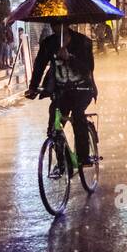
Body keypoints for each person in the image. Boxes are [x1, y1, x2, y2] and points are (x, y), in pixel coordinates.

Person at [26, 23, 96, 165]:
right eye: (53, 24)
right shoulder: (48, 43)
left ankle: (83, 157)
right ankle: (63, 162)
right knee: (54, 126)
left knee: (78, 115)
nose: (55, 27)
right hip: (62, 91)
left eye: (58, 23)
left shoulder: (83, 42)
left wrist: (70, 57)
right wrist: (33, 87)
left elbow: (88, 69)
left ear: (66, 24)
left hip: (82, 89)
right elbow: (39, 65)